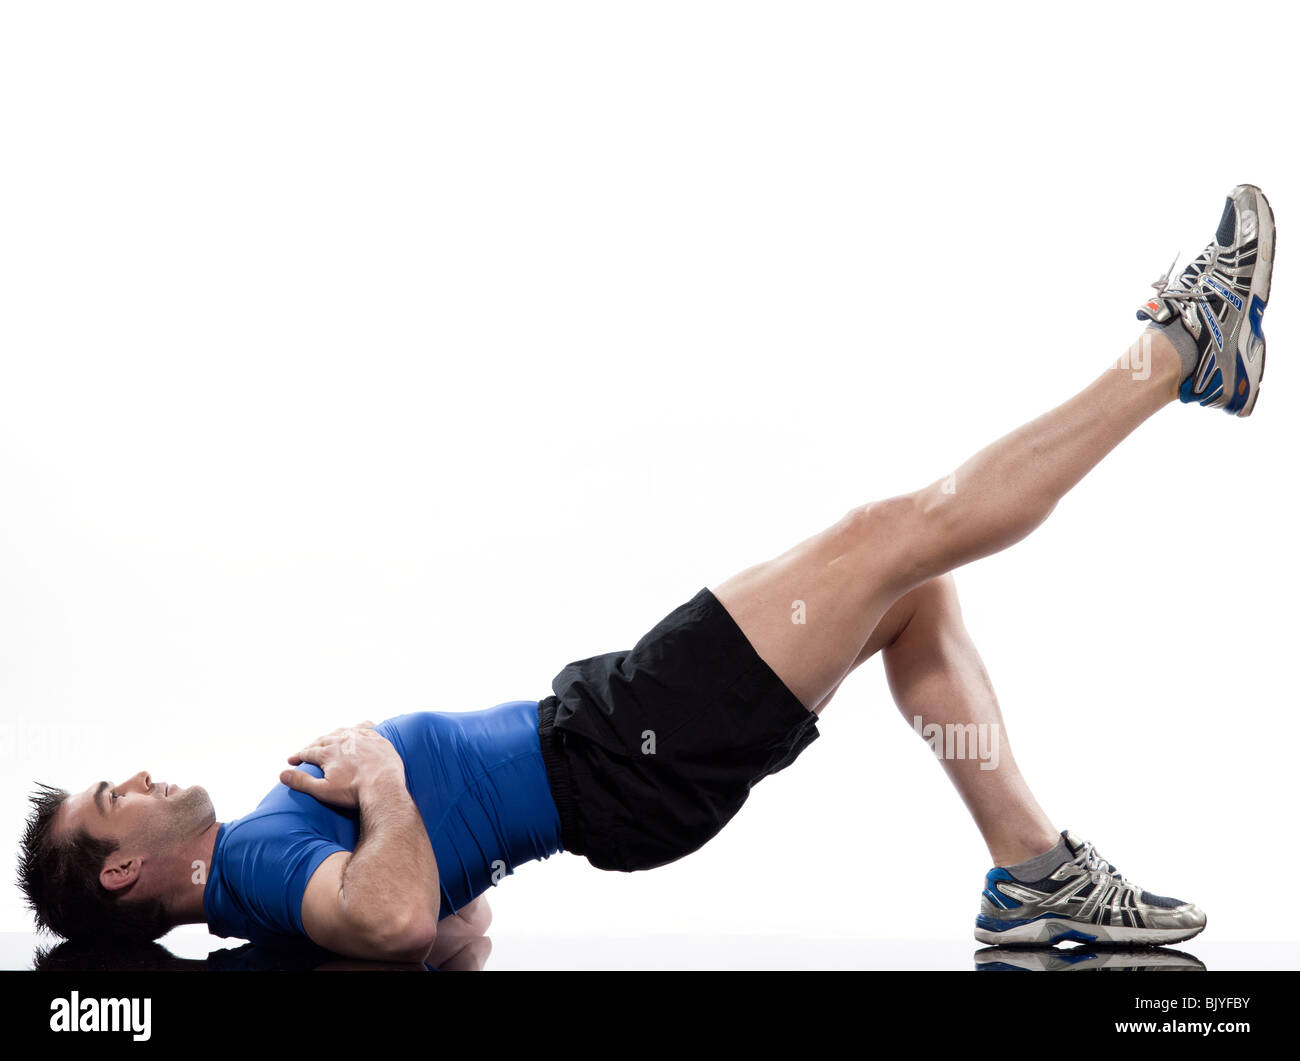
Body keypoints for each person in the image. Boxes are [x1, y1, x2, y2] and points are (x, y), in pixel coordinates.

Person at [19, 185, 1274, 962]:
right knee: (906, 527)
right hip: (623, 748)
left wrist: (422, 870)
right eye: (108, 801)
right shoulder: (253, 872)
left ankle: (1034, 877)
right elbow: (399, 919)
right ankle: (1183, 351)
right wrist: (392, 781)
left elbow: (445, 933)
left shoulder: (260, 874)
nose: (133, 776)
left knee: (908, 582)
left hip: (619, 739)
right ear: (124, 868)